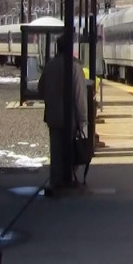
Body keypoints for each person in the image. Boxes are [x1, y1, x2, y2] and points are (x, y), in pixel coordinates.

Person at [38, 34, 88, 190]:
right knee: (70, 150)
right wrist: (83, 120)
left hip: (53, 116)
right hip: (70, 118)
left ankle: (55, 180)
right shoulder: (75, 67)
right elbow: (80, 95)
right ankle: (70, 180)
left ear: (57, 48)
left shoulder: (50, 66)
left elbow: (41, 90)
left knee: (56, 151)